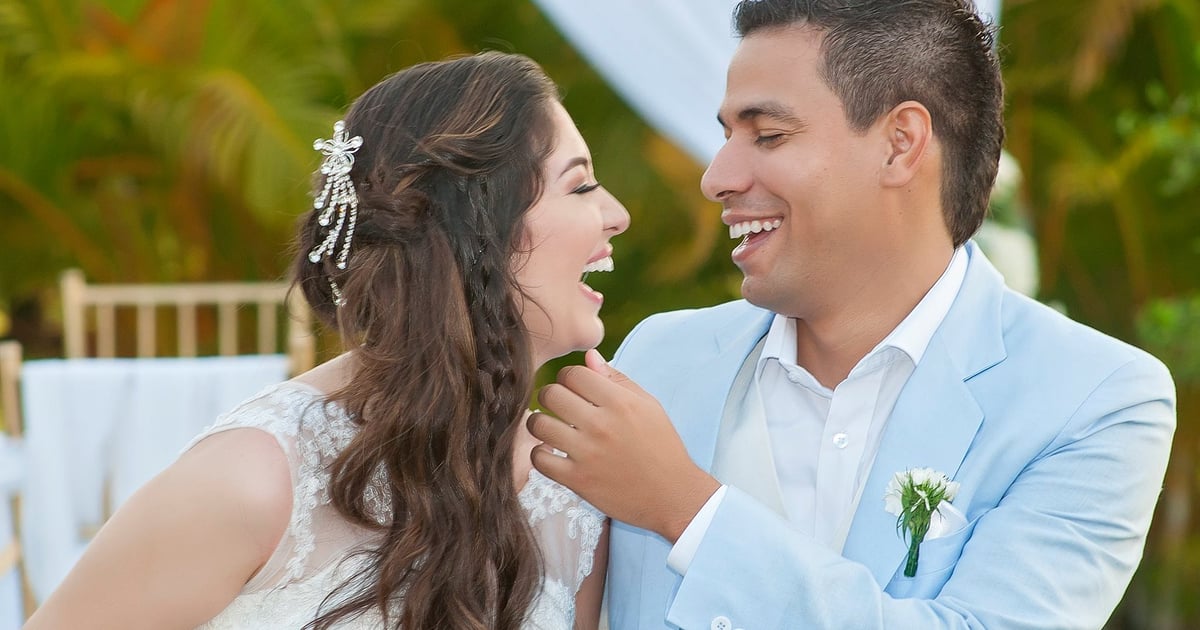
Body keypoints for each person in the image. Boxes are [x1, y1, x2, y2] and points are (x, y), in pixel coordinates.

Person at [527, 1, 1176, 628]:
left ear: (900, 143)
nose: (717, 175)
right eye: (728, 135)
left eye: (769, 135)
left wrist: (688, 510)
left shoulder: (1096, 398)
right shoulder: (656, 361)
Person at [26, 51, 629, 630]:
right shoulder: (256, 479)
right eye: (579, 187)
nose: (617, 214)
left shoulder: (571, 500)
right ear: (473, 228)